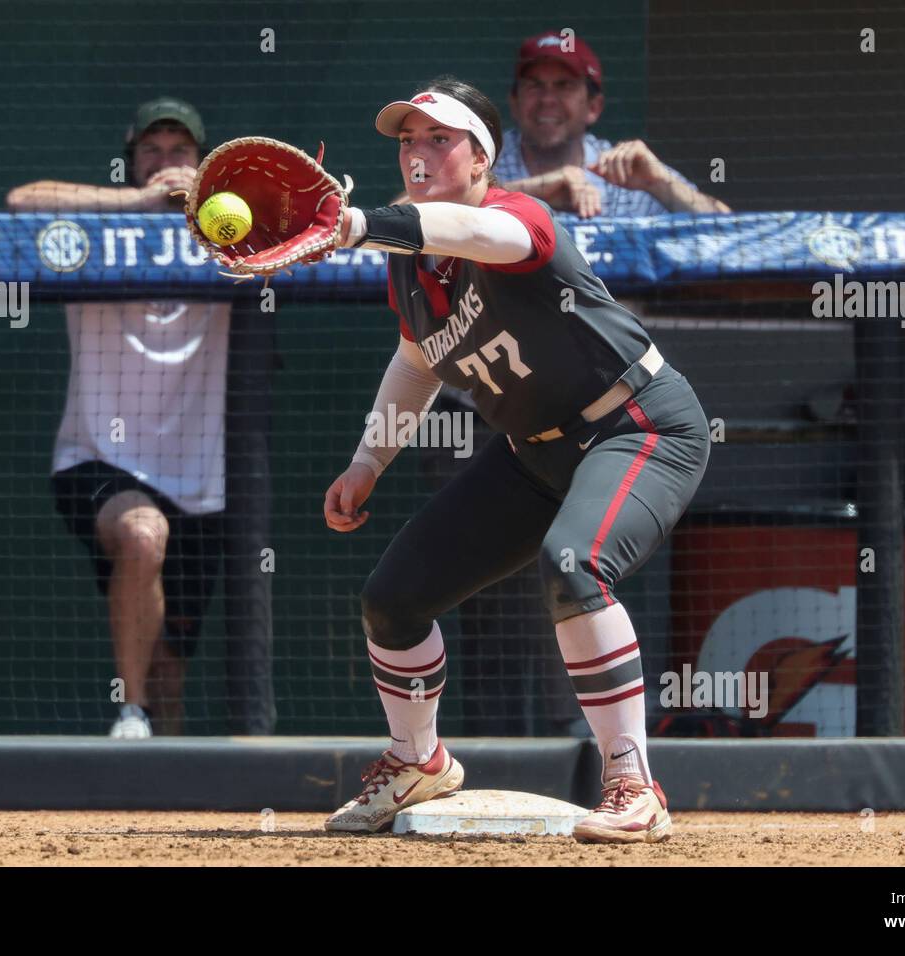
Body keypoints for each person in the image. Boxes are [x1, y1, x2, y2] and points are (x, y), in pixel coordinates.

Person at [320, 77, 711, 841]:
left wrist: (360, 223)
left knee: (574, 563)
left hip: (639, 427)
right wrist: (368, 461)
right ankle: (417, 762)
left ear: (482, 157)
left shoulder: (513, 215)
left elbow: (482, 239)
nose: (419, 152)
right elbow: (417, 362)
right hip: (534, 453)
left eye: (441, 138)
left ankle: (634, 785)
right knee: (393, 598)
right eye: (407, 141)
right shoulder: (411, 264)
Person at [7, 97, 277, 737]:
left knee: (171, 678)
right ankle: (128, 712)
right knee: (141, 535)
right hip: (96, 460)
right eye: (152, 151)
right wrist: (136, 204)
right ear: (131, 162)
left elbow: (309, 232)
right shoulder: (95, 231)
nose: (166, 163)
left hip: (201, 484)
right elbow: (22, 200)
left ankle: (157, 810)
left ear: (203, 165)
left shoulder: (235, 244)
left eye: (180, 152)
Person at [497, 29, 730, 218]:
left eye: (564, 85)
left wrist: (658, 182)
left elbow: (728, 232)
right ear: (515, 103)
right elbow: (460, 212)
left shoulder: (619, 170)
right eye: (534, 85)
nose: (547, 100)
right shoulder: (486, 159)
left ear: (593, 108)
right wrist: (537, 190)